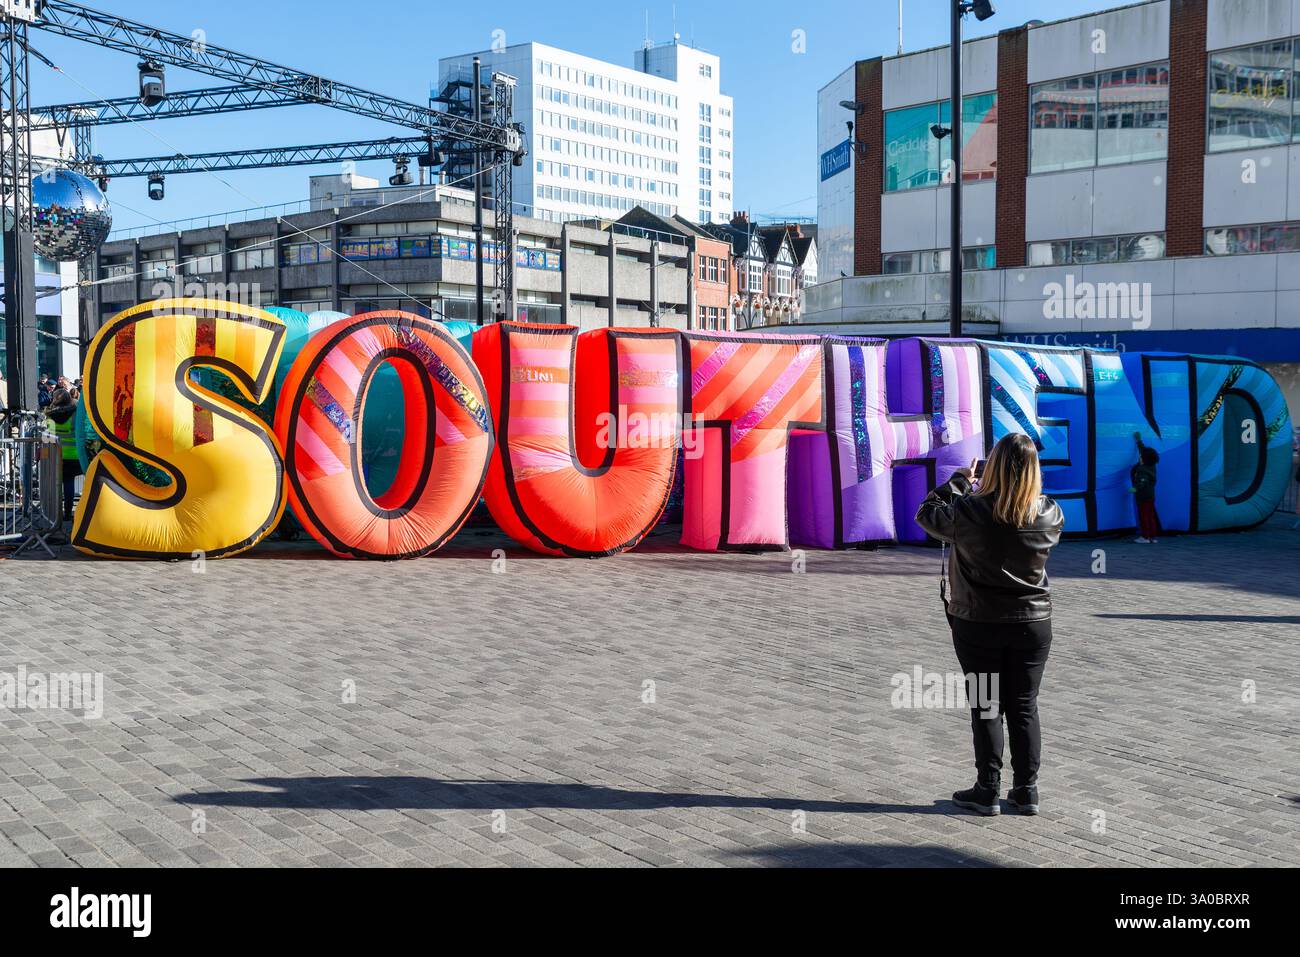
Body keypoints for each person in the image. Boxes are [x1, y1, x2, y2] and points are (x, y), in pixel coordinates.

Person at [916, 433, 1065, 817]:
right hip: (1033, 624)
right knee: (1024, 706)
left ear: (993, 466)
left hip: (978, 622)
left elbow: (926, 514)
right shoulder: (1050, 513)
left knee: (986, 705)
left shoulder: (968, 511)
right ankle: (1026, 790)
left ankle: (987, 789)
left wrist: (960, 482)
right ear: (1034, 470)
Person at [45, 388, 82, 523]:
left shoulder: (50, 415)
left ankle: (54, 513)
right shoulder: (76, 414)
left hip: (56, 455)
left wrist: (44, 455)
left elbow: (47, 437)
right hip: (73, 456)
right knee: (69, 483)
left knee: (55, 485)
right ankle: (67, 513)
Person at [1131, 433, 1160, 544]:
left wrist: (1134, 488)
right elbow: (1144, 451)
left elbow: (1142, 482)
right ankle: (1152, 537)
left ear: (1143, 459)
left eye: (1141, 457)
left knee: (1144, 516)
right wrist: (1139, 441)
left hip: (1143, 497)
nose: (1140, 457)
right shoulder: (1151, 465)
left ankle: (1145, 537)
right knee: (1150, 516)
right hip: (1151, 496)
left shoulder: (1142, 470)